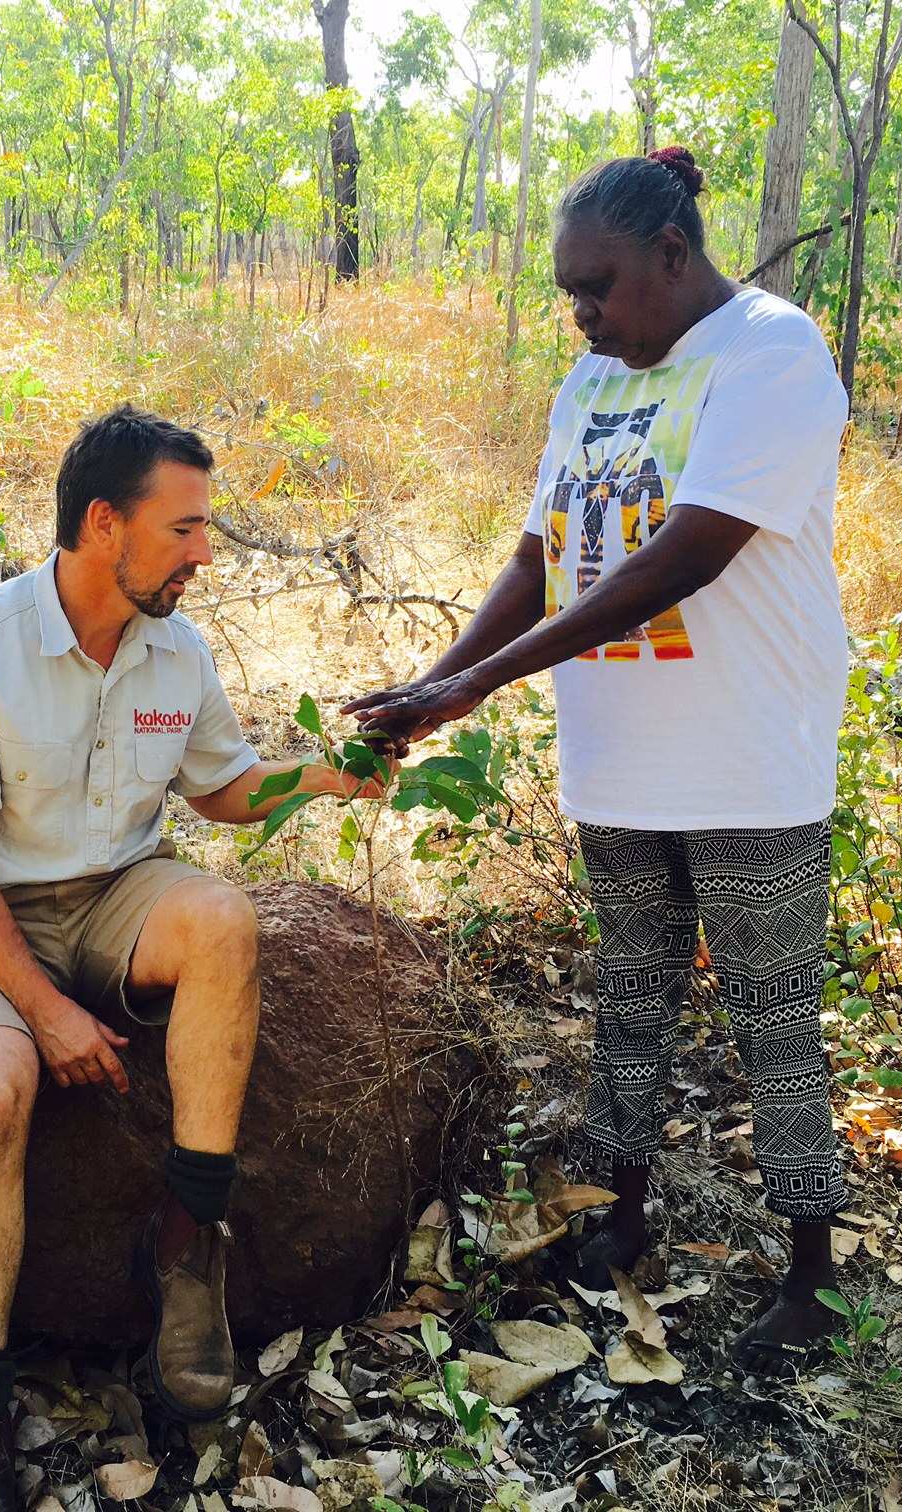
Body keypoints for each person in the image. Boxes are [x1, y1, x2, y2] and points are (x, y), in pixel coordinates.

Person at [344, 148, 852, 1378]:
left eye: (600, 287)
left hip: (746, 761)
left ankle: (813, 1275)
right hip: (620, 755)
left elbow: (687, 554)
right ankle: (621, 1214)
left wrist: (481, 682)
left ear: (674, 258)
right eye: (570, 292)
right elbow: (541, 554)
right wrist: (439, 680)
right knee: (629, 996)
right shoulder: (592, 375)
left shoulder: (772, 355)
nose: (582, 315)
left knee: (772, 1016)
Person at [0, 405, 384, 1511]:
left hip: (117, 891)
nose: (207, 553)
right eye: (186, 529)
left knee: (221, 920)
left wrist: (318, 776)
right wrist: (46, 1014)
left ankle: (188, 1242)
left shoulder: (177, 646)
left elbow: (218, 790)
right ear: (105, 525)